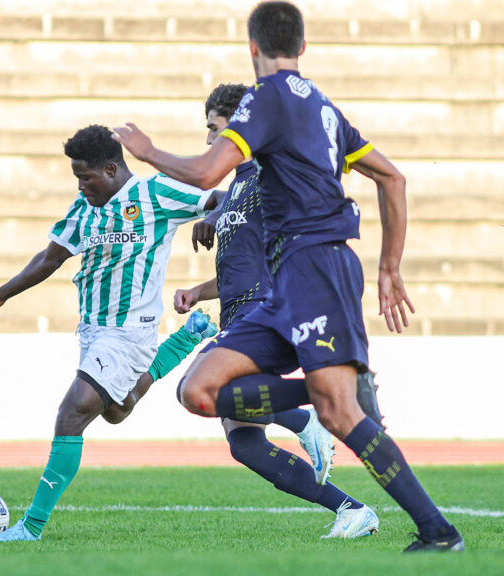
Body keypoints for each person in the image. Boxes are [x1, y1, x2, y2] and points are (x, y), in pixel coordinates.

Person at [112, 1, 464, 552]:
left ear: (252, 48)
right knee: (199, 391)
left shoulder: (267, 99)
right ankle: (332, 391)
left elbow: (207, 170)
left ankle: (438, 531)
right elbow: (390, 179)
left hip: (317, 263)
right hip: (286, 279)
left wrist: (147, 150)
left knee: (340, 413)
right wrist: (389, 266)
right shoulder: (322, 107)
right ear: (302, 47)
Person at [0, 125, 219, 542]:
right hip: (92, 330)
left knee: (72, 413)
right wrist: (1, 294)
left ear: (110, 169)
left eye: (85, 177)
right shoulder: (84, 210)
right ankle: (186, 339)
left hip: (128, 332)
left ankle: (30, 528)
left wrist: (210, 215)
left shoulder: (155, 194)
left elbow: (223, 197)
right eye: (76, 178)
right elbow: (49, 258)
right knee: (116, 410)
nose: (81, 186)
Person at [173, 82, 379, 539]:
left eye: (215, 129)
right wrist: (198, 290)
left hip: (265, 312)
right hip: (236, 312)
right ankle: (351, 509)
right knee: (244, 443)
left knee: (197, 386)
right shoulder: (236, 188)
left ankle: (308, 414)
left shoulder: (270, 176)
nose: (209, 140)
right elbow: (243, 259)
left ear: (239, 127)